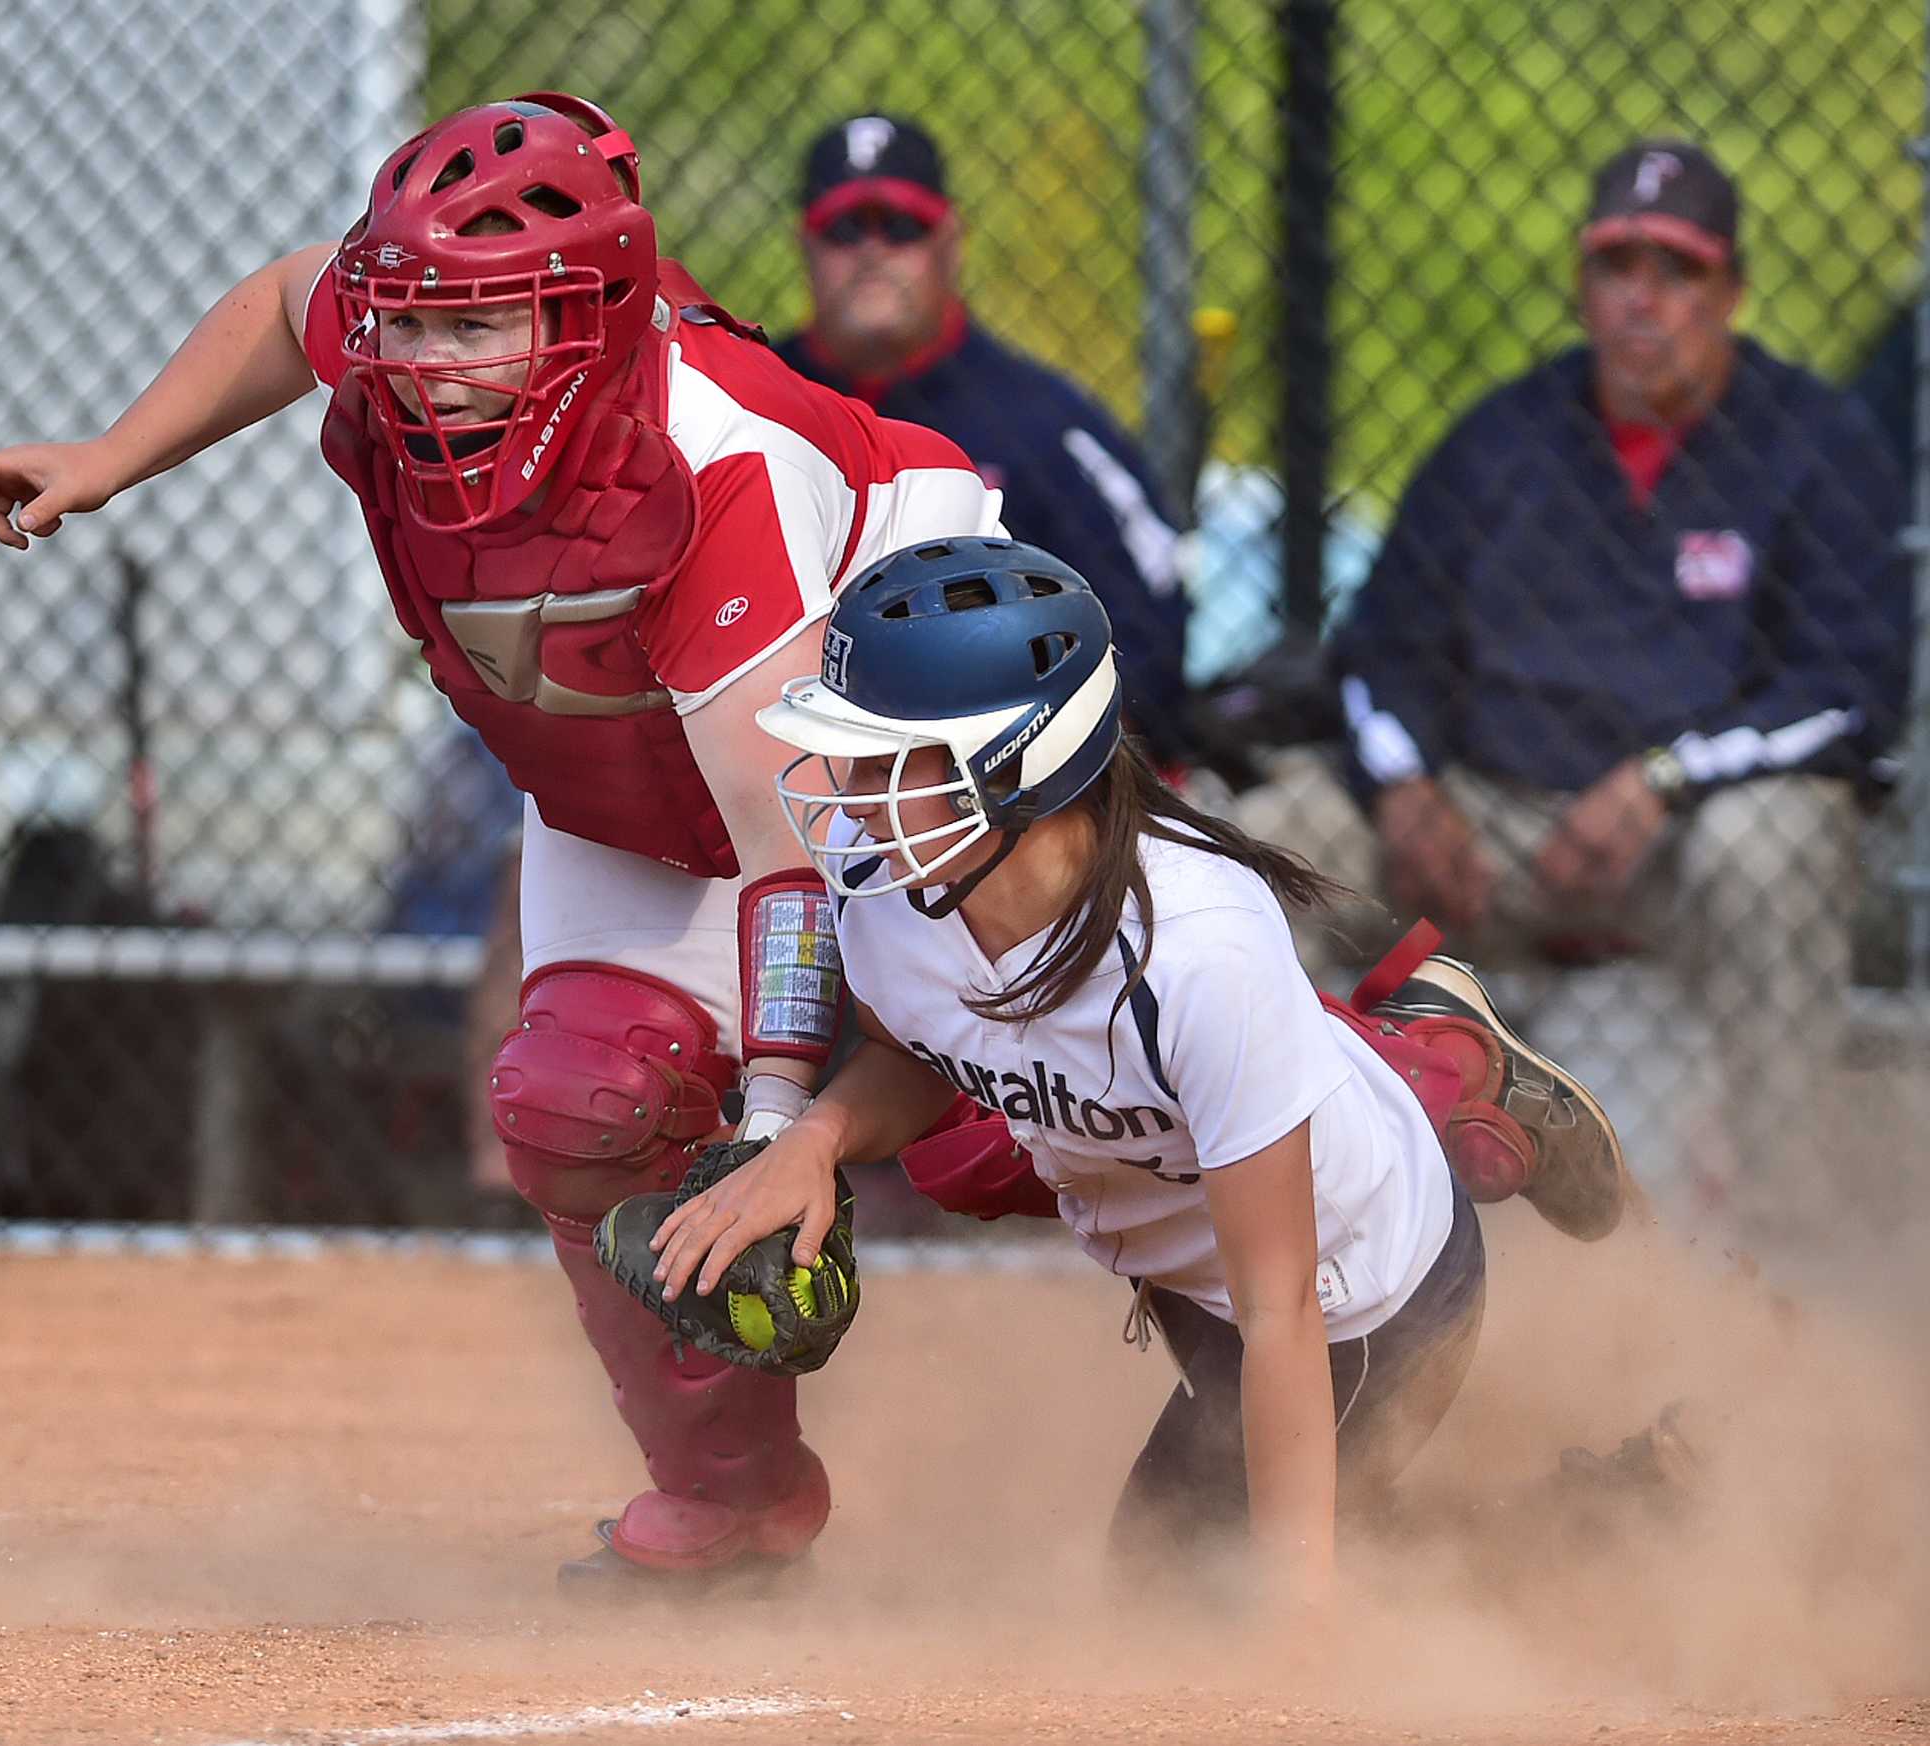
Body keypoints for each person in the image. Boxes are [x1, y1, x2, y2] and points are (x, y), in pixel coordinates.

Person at [0, 91, 1051, 1579]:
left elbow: (797, 857)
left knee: (1027, 1111)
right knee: (579, 1102)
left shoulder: (715, 468)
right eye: (406, 321)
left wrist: (779, 1124)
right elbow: (284, 302)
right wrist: (109, 456)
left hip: (900, 756)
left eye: (475, 327)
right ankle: (734, 1504)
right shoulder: (403, 344)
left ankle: (1317, 1225)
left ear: (592, 315)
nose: (424, 362)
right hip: (641, 773)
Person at [644, 537, 1633, 1604]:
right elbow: (910, 1047)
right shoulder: (889, 870)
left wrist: (1292, 1621)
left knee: (1200, 1599)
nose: (846, 792)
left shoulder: (1195, 951)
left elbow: (1282, 1309)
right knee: (969, 1163)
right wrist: (815, 1139)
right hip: (1176, 1227)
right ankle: (1424, 1080)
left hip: (1359, 1296)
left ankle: (1617, 1525)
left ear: (1012, 767)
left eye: (887, 759)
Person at [1326, 140, 1911, 1215]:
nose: (1642, 300)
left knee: (1772, 839)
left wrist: (1664, 778)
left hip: (1679, 852)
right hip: (1491, 833)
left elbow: (1848, 689)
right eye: (1616, 265)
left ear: (1730, 291)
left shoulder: (1814, 442)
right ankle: (1265, 1209)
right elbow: (1380, 645)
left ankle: (1782, 1230)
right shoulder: (1499, 438)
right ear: (1582, 285)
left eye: (1677, 270)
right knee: (1279, 831)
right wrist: (1405, 786)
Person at [774, 114, 1193, 760]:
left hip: (996, 772)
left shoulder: (1042, 422)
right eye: (845, 230)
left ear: (951, 243)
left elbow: (1152, 634)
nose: (872, 252)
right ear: (806, 246)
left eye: (902, 227)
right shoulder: (755, 405)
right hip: (780, 748)